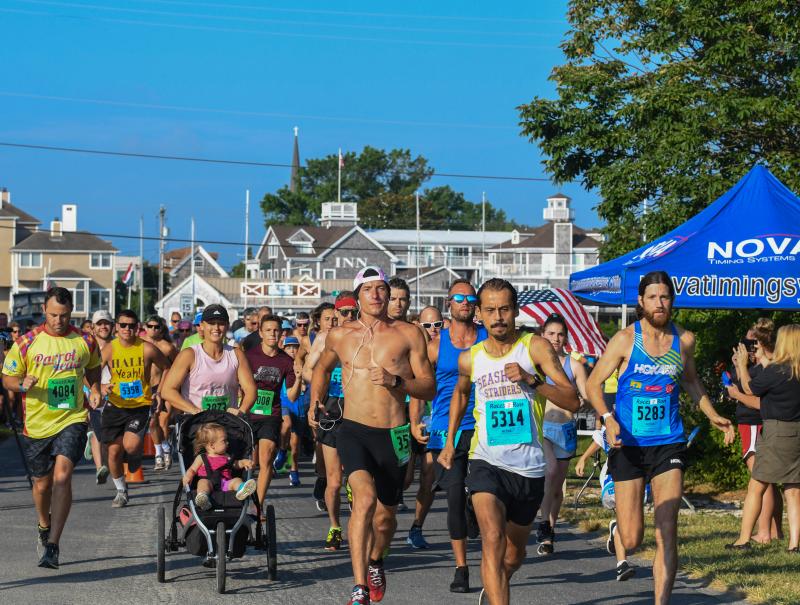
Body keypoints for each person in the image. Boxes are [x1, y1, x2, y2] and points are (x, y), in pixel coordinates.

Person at [585, 270, 735, 605]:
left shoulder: (685, 340)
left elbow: (691, 382)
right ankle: (619, 530)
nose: (659, 303)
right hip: (628, 444)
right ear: (641, 301)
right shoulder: (625, 339)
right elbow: (593, 383)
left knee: (667, 529)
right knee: (632, 538)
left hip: (668, 442)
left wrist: (713, 416)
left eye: (665, 297)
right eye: (652, 297)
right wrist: (608, 419)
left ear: (672, 300)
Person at [438, 278, 579, 605]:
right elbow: (460, 394)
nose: (498, 317)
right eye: (490, 310)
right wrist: (449, 441)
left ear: (515, 311)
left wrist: (532, 381)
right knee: (492, 538)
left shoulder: (535, 347)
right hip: (486, 460)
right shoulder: (470, 358)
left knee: (513, 557)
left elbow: (572, 400)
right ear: (479, 314)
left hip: (529, 469)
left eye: (504, 309)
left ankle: (495, 586)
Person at [311, 267, 435, 604]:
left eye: (381, 289)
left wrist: (397, 381)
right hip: (354, 430)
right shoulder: (340, 335)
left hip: (393, 434)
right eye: (368, 289)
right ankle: (359, 587)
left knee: (385, 519)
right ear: (358, 296)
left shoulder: (409, 334)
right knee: (363, 500)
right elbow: (322, 368)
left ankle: (376, 560)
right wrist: (316, 400)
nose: (376, 295)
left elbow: (428, 386)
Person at [1, 287, 103, 569]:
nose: (59, 320)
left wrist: (94, 388)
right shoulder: (26, 342)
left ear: (72, 312)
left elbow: (93, 367)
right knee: (42, 484)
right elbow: (8, 377)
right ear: (44, 311)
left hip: (72, 417)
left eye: (65, 315)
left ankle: (53, 546)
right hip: (37, 423)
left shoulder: (84, 340)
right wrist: (21, 384)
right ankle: (43, 525)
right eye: (54, 315)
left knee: (62, 476)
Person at [412, 280, 486, 592]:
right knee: (453, 496)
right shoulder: (434, 345)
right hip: (445, 429)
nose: (465, 301)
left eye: (470, 297)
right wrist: (415, 420)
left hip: (483, 426)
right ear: (449, 303)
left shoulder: (488, 338)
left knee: (484, 494)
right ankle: (461, 568)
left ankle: (474, 506)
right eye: (459, 297)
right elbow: (420, 385)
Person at [727, 324, 800, 551]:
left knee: (757, 484)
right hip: (796, 432)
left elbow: (750, 389)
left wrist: (742, 365)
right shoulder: (794, 370)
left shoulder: (777, 370)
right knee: (793, 489)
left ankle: (744, 539)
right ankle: (794, 543)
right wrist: (763, 359)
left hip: (776, 431)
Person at [100, 310, 171, 507]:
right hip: (115, 405)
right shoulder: (109, 349)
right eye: (123, 325)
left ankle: (134, 455)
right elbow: (91, 371)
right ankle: (121, 491)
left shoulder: (147, 348)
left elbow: (167, 367)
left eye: (131, 325)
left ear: (137, 327)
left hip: (140, 405)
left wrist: (160, 392)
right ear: (116, 327)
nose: (127, 329)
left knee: (130, 445)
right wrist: (101, 386)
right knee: (113, 453)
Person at [725, 319, 782, 543]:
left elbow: (753, 395)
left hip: (753, 423)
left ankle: (764, 531)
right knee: (769, 482)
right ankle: (775, 531)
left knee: (760, 480)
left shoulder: (766, 368)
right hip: (756, 424)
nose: (748, 347)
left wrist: (737, 393)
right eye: (746, 342)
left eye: (752, 343)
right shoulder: (762, 366)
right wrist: (739, 366)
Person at [536, 313, 589, 555]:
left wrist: (583, 401)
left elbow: (587, 396)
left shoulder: (574, 365)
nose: (556, 339)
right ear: (542, 335)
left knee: (557, 488)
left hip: (566, 429)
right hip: (543, 428)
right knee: (550, 471)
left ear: (566, 338)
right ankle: (543, 523)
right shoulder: (535, 365)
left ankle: (549, 533)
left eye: (560, 334)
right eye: (551, 334)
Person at [304, 296, 355, 549]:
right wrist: (319, 389)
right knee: (334, 481)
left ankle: (358, 525)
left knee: (357, 478)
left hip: (358, 410)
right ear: (336, 313)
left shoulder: (365, 336)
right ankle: (335, 527)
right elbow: (308, 370)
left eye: (353, 312)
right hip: (332, 409)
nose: (349, 317)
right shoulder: (325, 338)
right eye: (344, 312)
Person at [241, 315, 302, 506]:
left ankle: (258, 505)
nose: (272, 334)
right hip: (247, 413)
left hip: (270, 415)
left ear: (281, 333)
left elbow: (292, 396)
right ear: (260, 333)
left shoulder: (286, 361)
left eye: (276, 330)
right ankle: (240, 494)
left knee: (266, 458)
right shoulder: (249, 356)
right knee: (249, 461)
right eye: (268, 330)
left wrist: (299, 378)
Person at [161, 305, 257, 416]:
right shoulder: (189, 355)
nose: (216, 328)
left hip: (227, 421)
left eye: (221, 323)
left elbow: (250, 389)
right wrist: (194, 410)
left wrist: (242, 410)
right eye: (211, 323)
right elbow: (167, 391)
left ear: (227, 326)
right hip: (195, 421)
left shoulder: (237, 354)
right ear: (202, 326)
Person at [575, 428, 636, 581]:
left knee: (632, 527)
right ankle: (622, 564)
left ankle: (615, 529)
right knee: (623, 514)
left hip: (638, 473)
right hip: (613, 474)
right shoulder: (613, 422)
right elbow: (599, 439)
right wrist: (583, 458)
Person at [182, 422, 257, 509]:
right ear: (212, 445)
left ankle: (242, 489)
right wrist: (188, 475)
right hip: (209, 482)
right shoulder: (201, 458)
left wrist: (244, 462)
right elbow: (193, 469)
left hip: (226, 483)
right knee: (202, 482)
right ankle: (203, 498)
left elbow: (235, 464)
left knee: (237, 480)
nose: (228, 443)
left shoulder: (227, 456)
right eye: (224, 441)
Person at [142, 315, 178, 471]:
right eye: (150, 326)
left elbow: (177, 366)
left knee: (161, 422)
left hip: (163, 387)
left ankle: (160, 454)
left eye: (156, 327)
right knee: (152, 422)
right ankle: (163, 448)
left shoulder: (167, 347)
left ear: (161, 329)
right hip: (145, 387)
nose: (153, 329)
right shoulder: (139, 343)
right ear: (145, 327)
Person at [87, 310, 114, 484]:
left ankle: (106, 464)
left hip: (115, 395)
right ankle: (100, 469)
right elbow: (83, 373)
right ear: (93, 327)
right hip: (94, 394)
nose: (103, 327)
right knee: (99, 432)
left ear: (112, 326)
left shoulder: (118, 345)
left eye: (106, 323)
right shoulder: (88, 346)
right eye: (99, 324)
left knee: (108, 435)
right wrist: (97, 388)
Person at [273, 334, 301, 473]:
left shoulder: (304, 364)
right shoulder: (279, 363)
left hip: (298, 404)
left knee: (295, 444)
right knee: (286, 424)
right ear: (283, 349)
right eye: (288, 347)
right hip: (283, 402)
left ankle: (294, 471)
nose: (292, 350)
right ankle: (282, 451)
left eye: (295, 347)